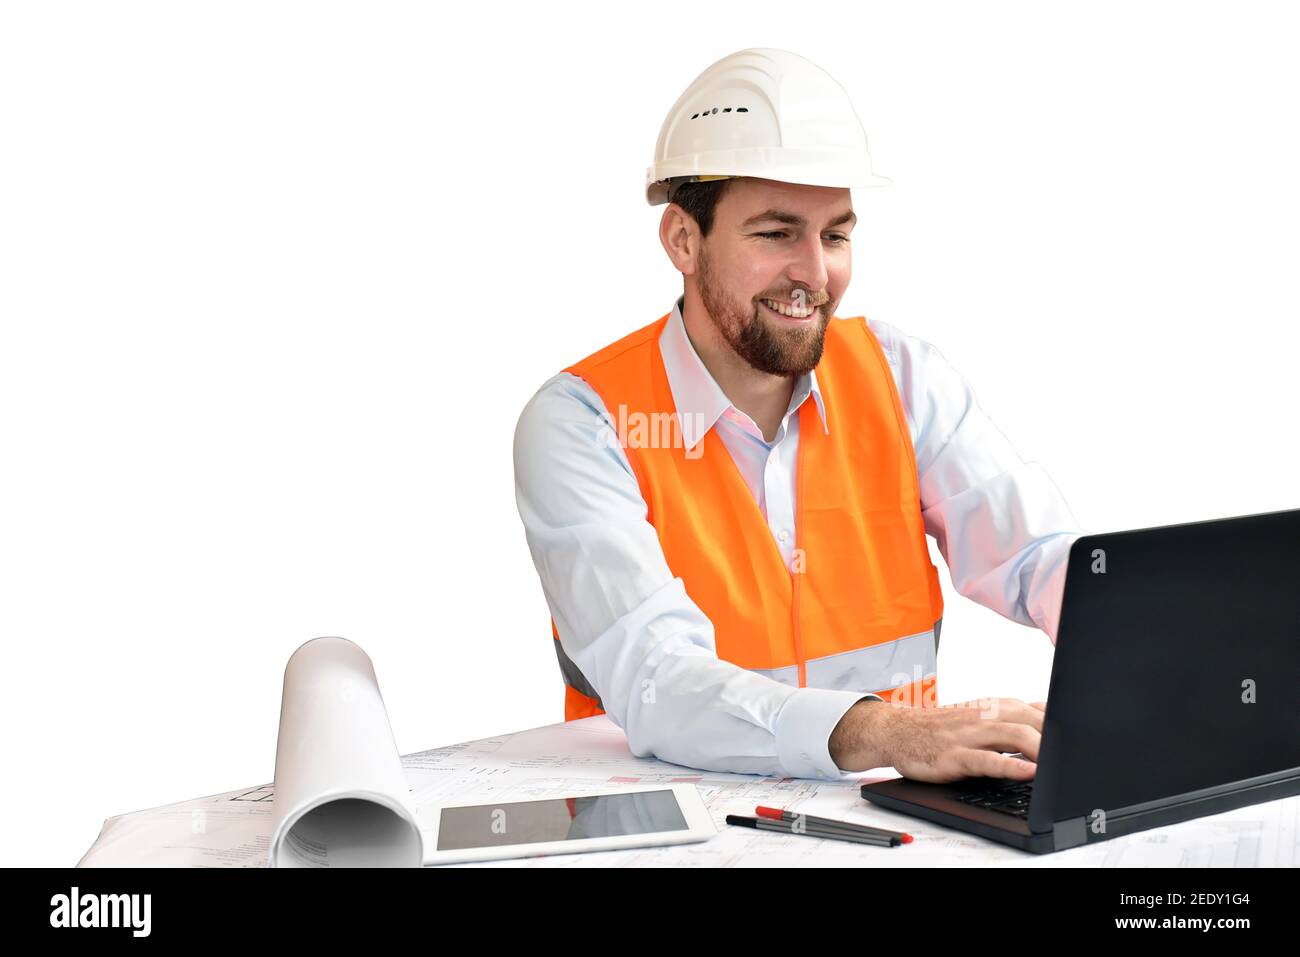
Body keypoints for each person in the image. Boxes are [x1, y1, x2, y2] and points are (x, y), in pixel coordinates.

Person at [513, 48, 1086, 784]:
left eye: (836, 235)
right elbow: (654, 673)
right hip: (677, 823)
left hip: (893, 817)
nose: (815, 275)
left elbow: (1039, 555)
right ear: (683, 240)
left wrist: (1151, 646)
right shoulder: (581, 421)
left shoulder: (902, 377)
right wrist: (887, 730)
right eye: (777, 233)